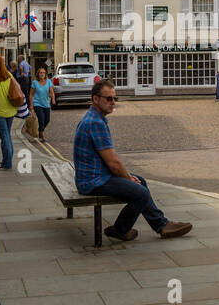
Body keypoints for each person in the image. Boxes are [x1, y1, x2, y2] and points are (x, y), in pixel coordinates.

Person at [72, 80, 192, 241]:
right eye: (108, 99)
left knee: (140, 182)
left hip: (94, 176)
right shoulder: (95, 123)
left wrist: (128, 176)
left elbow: (111, 162)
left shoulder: (93, 117)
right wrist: (128, 178)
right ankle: (121, 229)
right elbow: (113, 164)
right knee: (140, 192)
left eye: (115, 99)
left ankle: (161, 225)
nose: (113, 102)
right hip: (93, 181)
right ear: (95, 99)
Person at [0, 53, 23, 170]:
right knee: (7, 136)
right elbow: (18, 86)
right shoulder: (8, 74)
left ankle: (7, 164)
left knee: (5, 137)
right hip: (11, 110)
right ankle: (5, 161)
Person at [31, 65, 54, 142]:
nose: (42, 74)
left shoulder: (48, 82)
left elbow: (51, 92)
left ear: (45, 74)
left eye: (43, 73)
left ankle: (39, 130)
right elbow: (30, 94)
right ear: (38, 74)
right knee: (41, 119)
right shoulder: (34, 83)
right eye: (40, 73)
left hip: (46, 104)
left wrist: (53, 99)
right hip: (37, 104)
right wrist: (31, 105)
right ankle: (42, 136)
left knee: (47, 120)